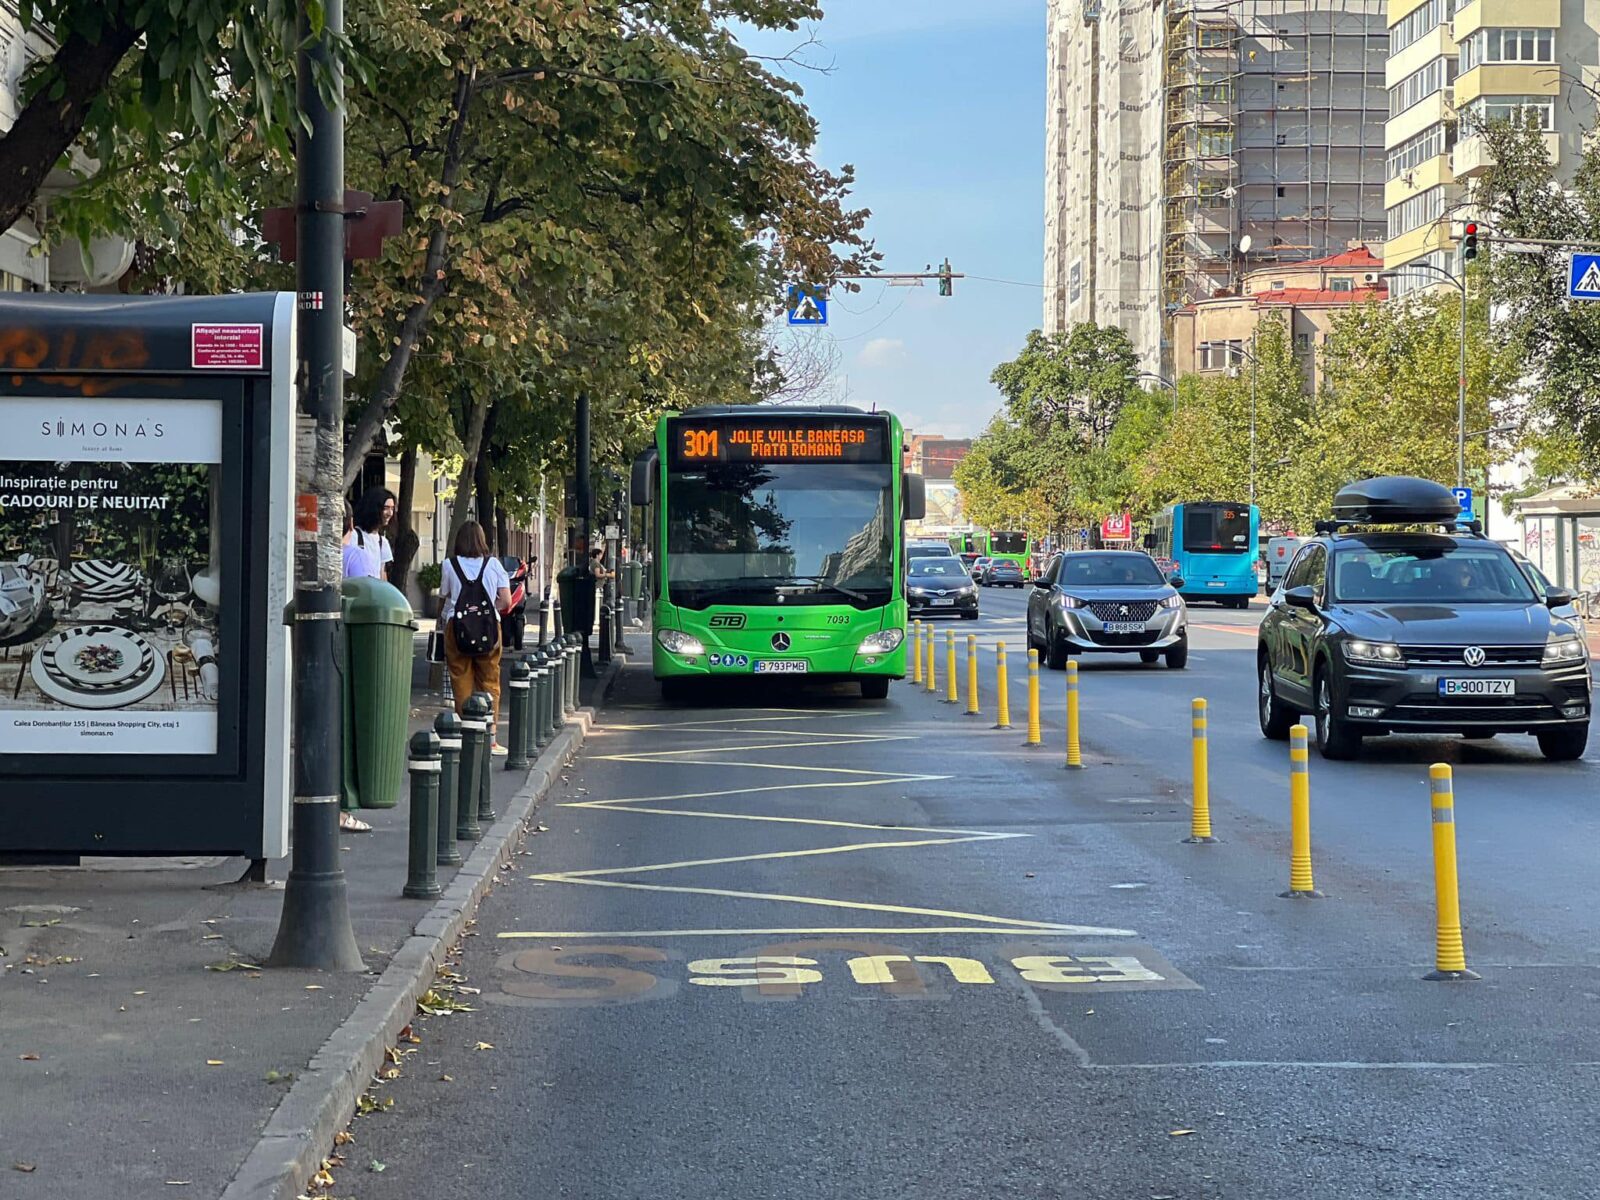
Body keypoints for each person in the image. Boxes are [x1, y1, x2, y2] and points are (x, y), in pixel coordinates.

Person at [440, 521, 513, 753]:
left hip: (457, 628)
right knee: (490, 679)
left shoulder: (449, 565)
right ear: (482, 540)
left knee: (461, 679)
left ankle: (467, 735)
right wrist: (489, 610)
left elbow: (445, 596)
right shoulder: (494, 565)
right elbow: (506, 601)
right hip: (489, 629)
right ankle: (490, 738)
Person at [346, 488, 396, 580]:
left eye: (392, 508)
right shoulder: (353, 536)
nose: (390, 513)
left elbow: (382, 576)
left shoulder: (383, 542)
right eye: (386, 508)